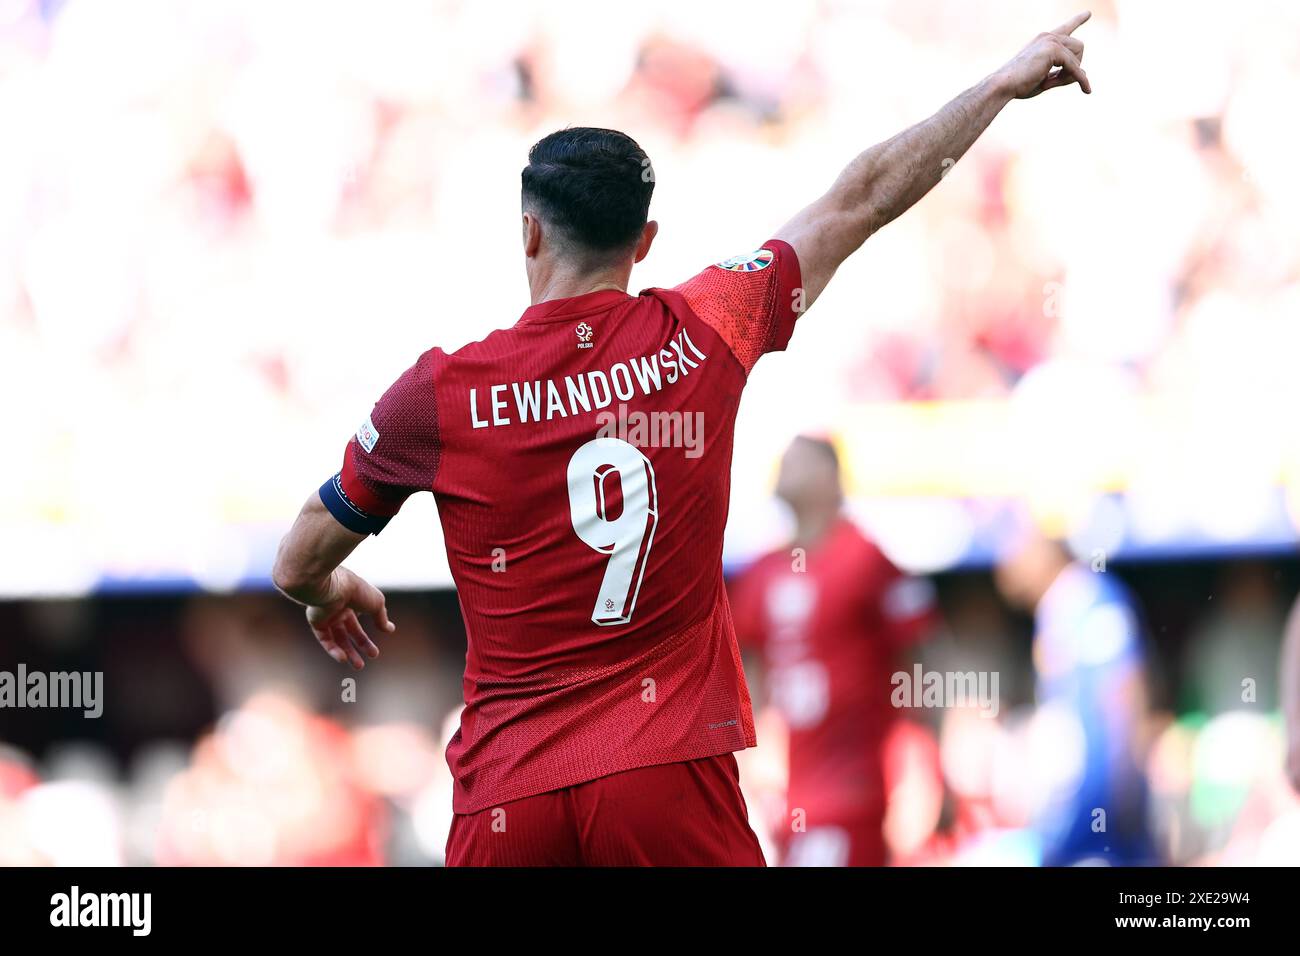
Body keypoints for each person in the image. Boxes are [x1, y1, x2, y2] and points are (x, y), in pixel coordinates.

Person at [271, 13, 1094, 866]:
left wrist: (330, 591)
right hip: (665, 781)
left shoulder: (438, 396)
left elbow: (294, 561)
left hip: (508, 795)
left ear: (528, 232)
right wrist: (998, 87)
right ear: (646, 243)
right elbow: (862, 197)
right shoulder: (706, 329)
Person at [730, 435, 936, 865]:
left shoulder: (866, 558)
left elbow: (920, 658)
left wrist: (924, 767)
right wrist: (750, 771)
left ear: (829, 476)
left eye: (798, 458)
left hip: (849, 789)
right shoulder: (762, 572)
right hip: (784, 795)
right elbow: (749, 678)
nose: (783, 464)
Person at [994, 529, 1154, 865]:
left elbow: (1124, 688)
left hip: (1100, 798)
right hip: (1071, 805)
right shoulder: (1057, 607)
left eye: (1017, 548)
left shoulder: (1092, 598)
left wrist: (1126, 783)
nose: (1006, 563)